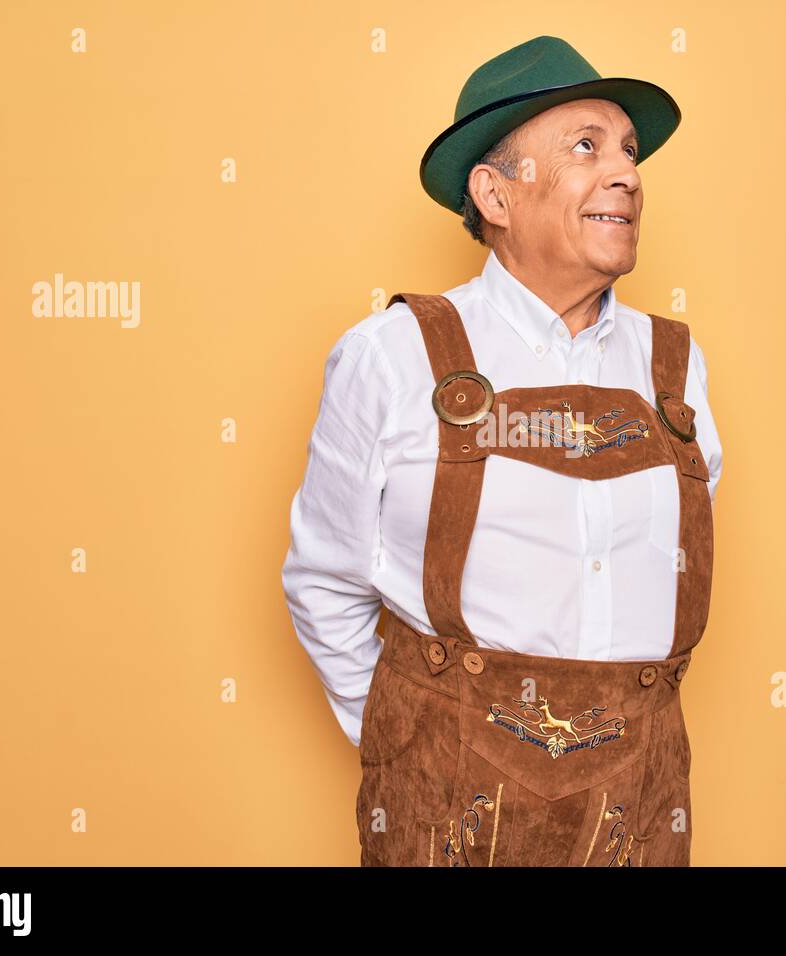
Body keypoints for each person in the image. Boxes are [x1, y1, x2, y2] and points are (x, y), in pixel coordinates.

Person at [281, 35, 721, 866]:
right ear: (494, 193)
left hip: (642, 806)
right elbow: (323, 580)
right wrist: (415, 739)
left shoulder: (676, 366)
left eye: (628, 152)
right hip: (444, 808)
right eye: (585, 147)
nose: (625, 174)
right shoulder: (391, 354)